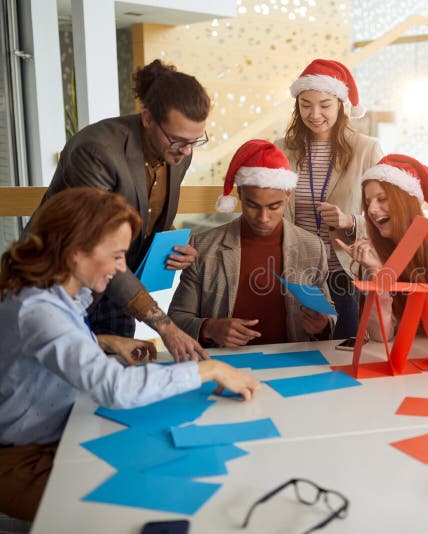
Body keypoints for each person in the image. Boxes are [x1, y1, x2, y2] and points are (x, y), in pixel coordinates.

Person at [0, 188, 260, 521]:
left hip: (61, 434)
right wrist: (209, 370)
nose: (122, 267)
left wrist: (106, 341)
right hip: (24, 458)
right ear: (75, 250)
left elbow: (56, 345)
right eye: (117, 254)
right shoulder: (40, 311)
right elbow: (114, 388)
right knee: (132, 508)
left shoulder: (56, 296)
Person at [34, 59, 211, 362]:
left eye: (194, 141)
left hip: (118, 288)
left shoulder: (177, 154)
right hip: (62, 282)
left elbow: (149, 218)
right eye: (178, 140)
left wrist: (175, 247)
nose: (186, 151)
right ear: (147, 118)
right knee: (61, 386)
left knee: (116, 378)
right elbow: (97, 246)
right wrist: (164, 326)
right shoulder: (96, 150)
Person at [169, 140, 335, 347]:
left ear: (287, 196)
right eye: (252, 205)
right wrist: (209, 328)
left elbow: (327, 314)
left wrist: (322, 325)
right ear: (240, 195)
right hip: (225, 367)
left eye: (274, 207)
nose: (263, 217)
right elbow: (176, 319)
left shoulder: (312, 247)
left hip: (293, 365)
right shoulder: (204, 246)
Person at [275, 59, 383, 339]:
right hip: (298, 271)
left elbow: (385, 213)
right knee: (297, 351)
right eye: (305, 105)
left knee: (344, 351)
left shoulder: (367, 149)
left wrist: (350, 221)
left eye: (324, 105)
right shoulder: (282, 149)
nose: (314, 114)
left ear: (341, 105)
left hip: (343, 272)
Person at [337, 154, 428, 341]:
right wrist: (377, 272)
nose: (371, 210)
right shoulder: (373, 253)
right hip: (399, 359)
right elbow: (381, 336)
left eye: (382, 199)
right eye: (368, 202)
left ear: (406, 202)